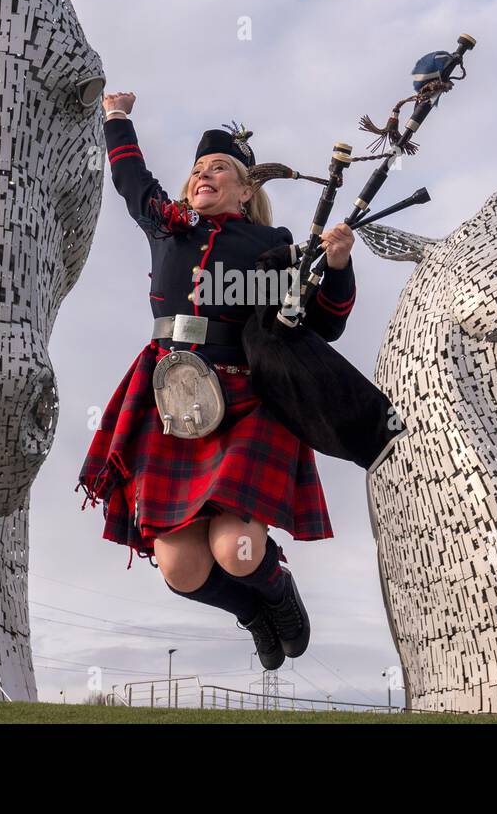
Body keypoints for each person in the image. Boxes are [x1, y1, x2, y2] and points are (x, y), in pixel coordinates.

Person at [76, 90, 358, 670]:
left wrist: (335, 266)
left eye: (220, 169)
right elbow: (131, 179)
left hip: (245, 400)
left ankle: (278, 593)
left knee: (237, 550)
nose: (204, 175)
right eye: (198, 170)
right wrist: (117, 118)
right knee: (180, 566)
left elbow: (322, 324)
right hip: (168, 392)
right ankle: (252, 614)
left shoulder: (273, 248)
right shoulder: (169, 227)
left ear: (246, 188)